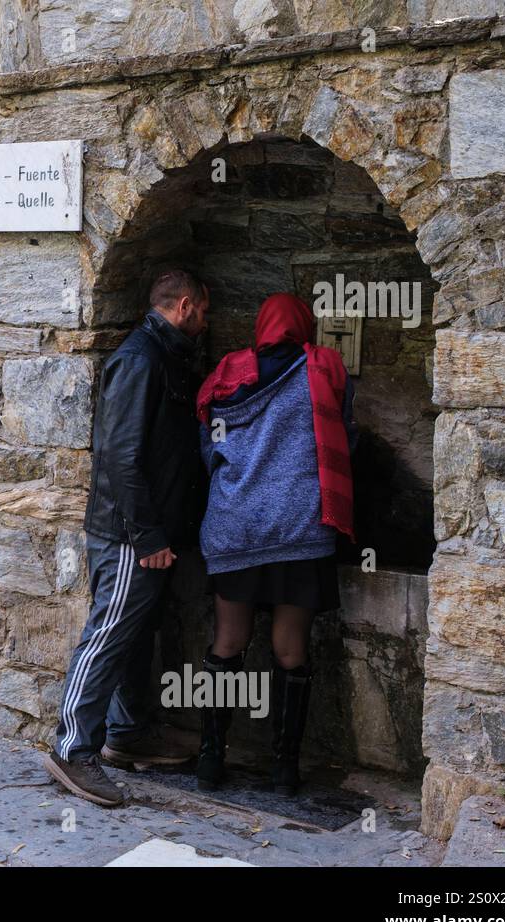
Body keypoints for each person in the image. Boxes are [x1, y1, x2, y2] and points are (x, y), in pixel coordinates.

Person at [44, 269, 208, 807]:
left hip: (150, 533)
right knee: (110, 632)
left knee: (137, 635)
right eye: (204, 313)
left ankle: (128, 732)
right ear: (184, 306)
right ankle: (73, 749)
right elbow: (120, 455)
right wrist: (147, 535)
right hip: (129, 535)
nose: (205, 323)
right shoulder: (141, 359)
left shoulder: (164, 356)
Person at [194, 292, 356, 795]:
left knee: (227, 642)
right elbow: (345, 436)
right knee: (291, 649)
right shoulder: (324, 368)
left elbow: (207, 450)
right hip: (300, 528)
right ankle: (284, 769)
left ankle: (209, 761)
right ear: (303, 325)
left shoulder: (226, 373)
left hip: (235, 527)